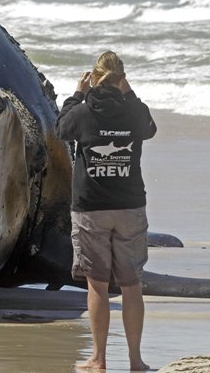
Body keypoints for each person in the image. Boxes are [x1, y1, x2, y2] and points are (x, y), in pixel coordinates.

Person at [55, 51, 157, 372]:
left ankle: (98, 359)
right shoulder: (135, 113)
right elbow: (150, 128)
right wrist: (131, 94)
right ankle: (135, 360)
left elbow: (60, 127)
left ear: (94, 78)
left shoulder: (82, 113)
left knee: (97, 284)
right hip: (129, 208)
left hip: (91, 210)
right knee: (132, 285)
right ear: (121, 79)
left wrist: (77, 94)